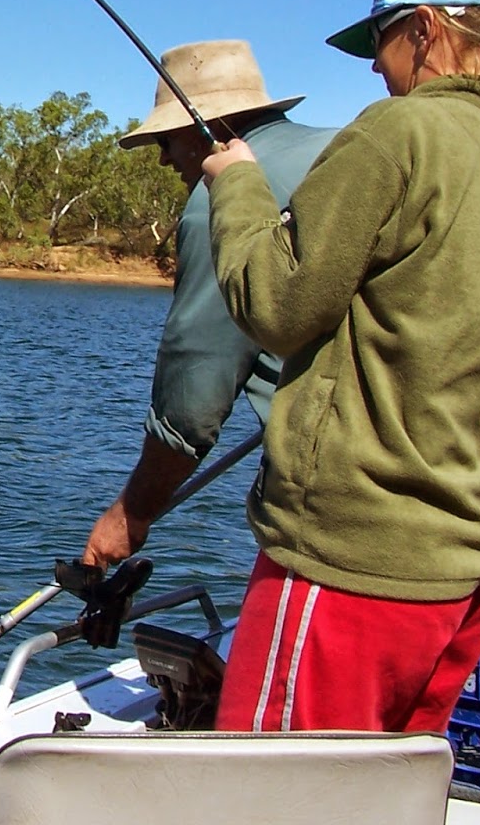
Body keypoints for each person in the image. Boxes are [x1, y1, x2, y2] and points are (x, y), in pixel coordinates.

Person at [200, 0, 480, 734]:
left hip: (353, 567)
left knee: (263, 802)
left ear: (427, 31)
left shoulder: (394, 135)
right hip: (470, 571)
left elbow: (276, 304)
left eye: (381, 40)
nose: (375, 66)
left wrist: (236, 187)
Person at [82, 40, 336, 569]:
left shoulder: (210, 208)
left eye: (168, 139)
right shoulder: (344, 148)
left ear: (207, 130)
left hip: (346, 521)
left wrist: (130, 515)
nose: (163, 157)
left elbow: (193, 396)